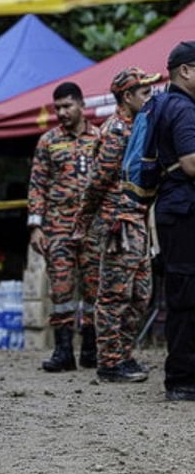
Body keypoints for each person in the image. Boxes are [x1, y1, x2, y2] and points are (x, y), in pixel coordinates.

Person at [76, 68, 159, 383]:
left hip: (137, 221)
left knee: (140, 294)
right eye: (144, 92)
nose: (150, 97)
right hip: (118, 224)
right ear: (127, 96)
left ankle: (124, 355)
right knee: (113, 294)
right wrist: (84, 219)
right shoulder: (116, 131)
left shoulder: (140, 126)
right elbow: (98, 181)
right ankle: (109, 362)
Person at [27, 82, 100, 373]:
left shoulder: (100, 137)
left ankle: (92, 349)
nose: (62, 112)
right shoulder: (48, 141)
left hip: (92, 226)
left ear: (81, 105)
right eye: (57, 107)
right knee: (60, 289)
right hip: (58, 227)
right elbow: (37, 185)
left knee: (95, 287)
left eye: (67, 106)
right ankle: (63, 351)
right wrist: (35, 226)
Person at [153, 41, 195, 401]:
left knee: (185, 292)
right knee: (185, 294)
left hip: (175, 210)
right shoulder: (182, 108)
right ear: (185, 70)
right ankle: (181, 380)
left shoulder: (167, 103)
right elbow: (191, 163)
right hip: (182, 211)